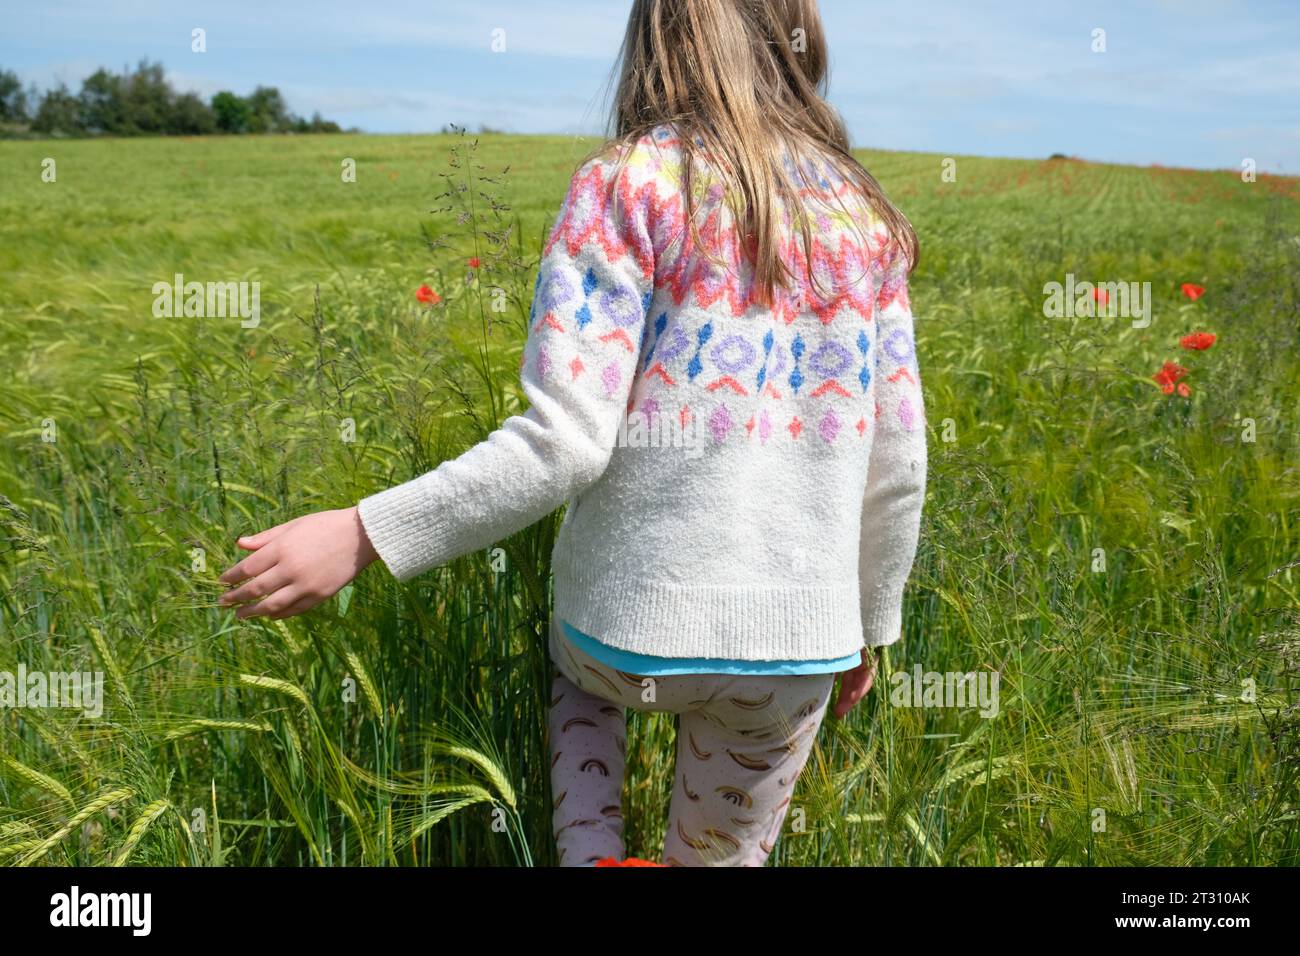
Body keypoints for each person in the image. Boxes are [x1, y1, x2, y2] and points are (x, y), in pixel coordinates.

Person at [218, 0, 927, 867]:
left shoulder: (625, 187)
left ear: (658, 37)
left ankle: (590, 854)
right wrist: (869, 627)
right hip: (799, 647)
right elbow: (898, 465)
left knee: (572, 654)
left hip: (622, 640)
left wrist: (362, 532)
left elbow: (565, 441)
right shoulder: (866, 219)